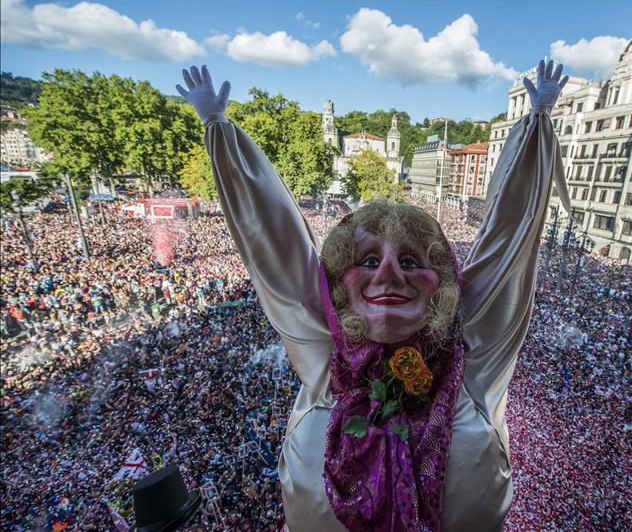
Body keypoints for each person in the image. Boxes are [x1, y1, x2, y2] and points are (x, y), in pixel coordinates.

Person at [176, 60, 570, 531]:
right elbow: (274, 245)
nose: (387, 273)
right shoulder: (325, 361)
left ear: (442, 285)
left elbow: (509, 243)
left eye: (410, 261)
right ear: (337, 286)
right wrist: (221, 135)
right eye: (366, 260)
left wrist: (536, 129)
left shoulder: (474, 364)